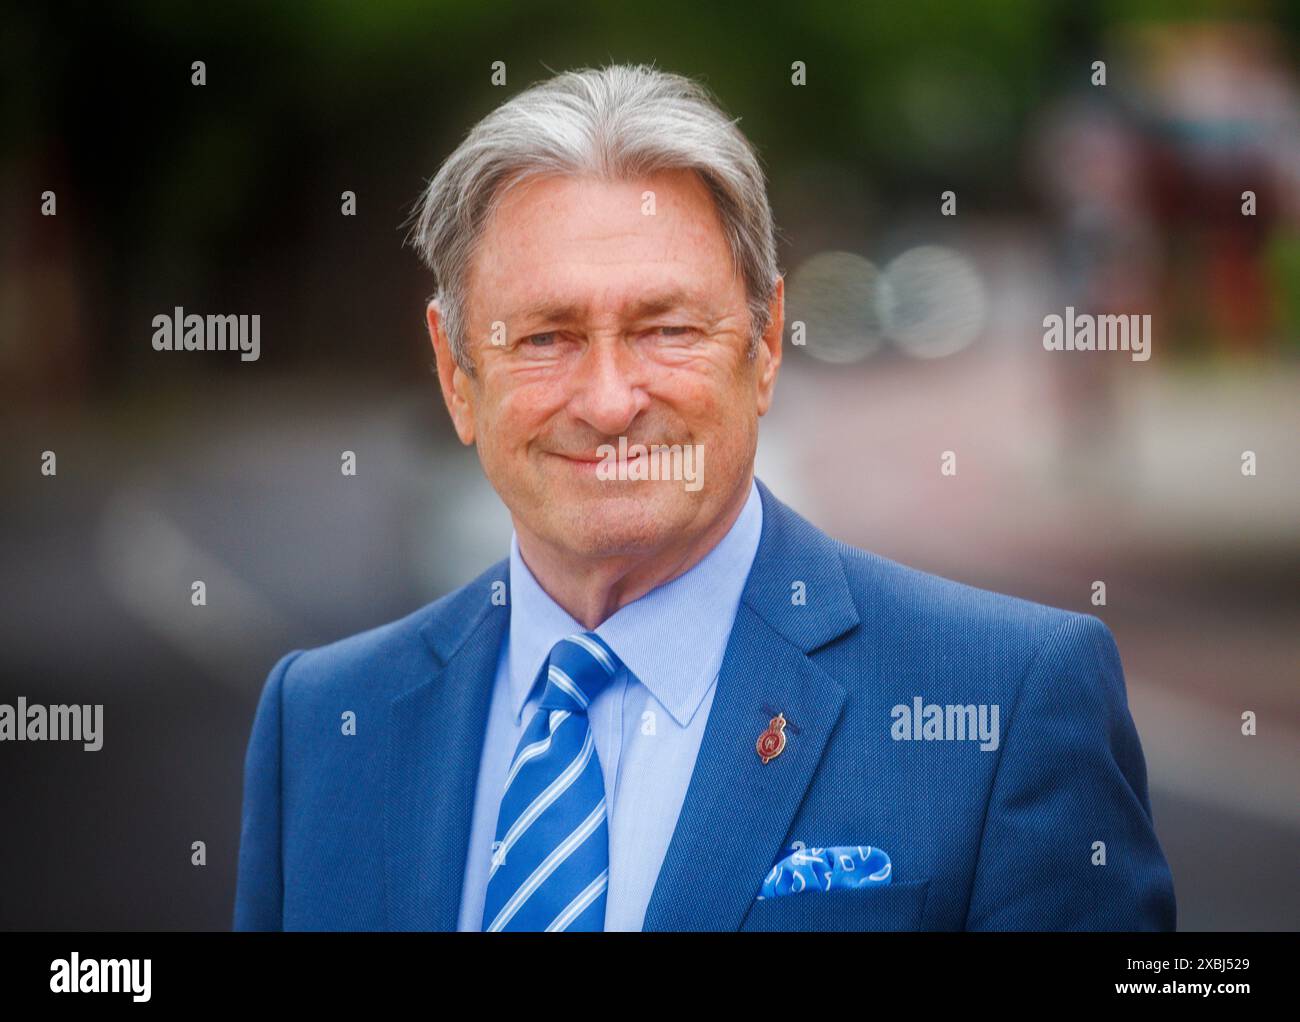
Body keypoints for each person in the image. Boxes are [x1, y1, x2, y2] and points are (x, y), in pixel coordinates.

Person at [233, 63, 1175, 932]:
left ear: (764, 346)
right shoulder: (319, 724)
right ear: (454, 372)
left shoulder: (1009, 700)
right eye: (545, 338)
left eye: (667, 327)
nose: (608, 401)